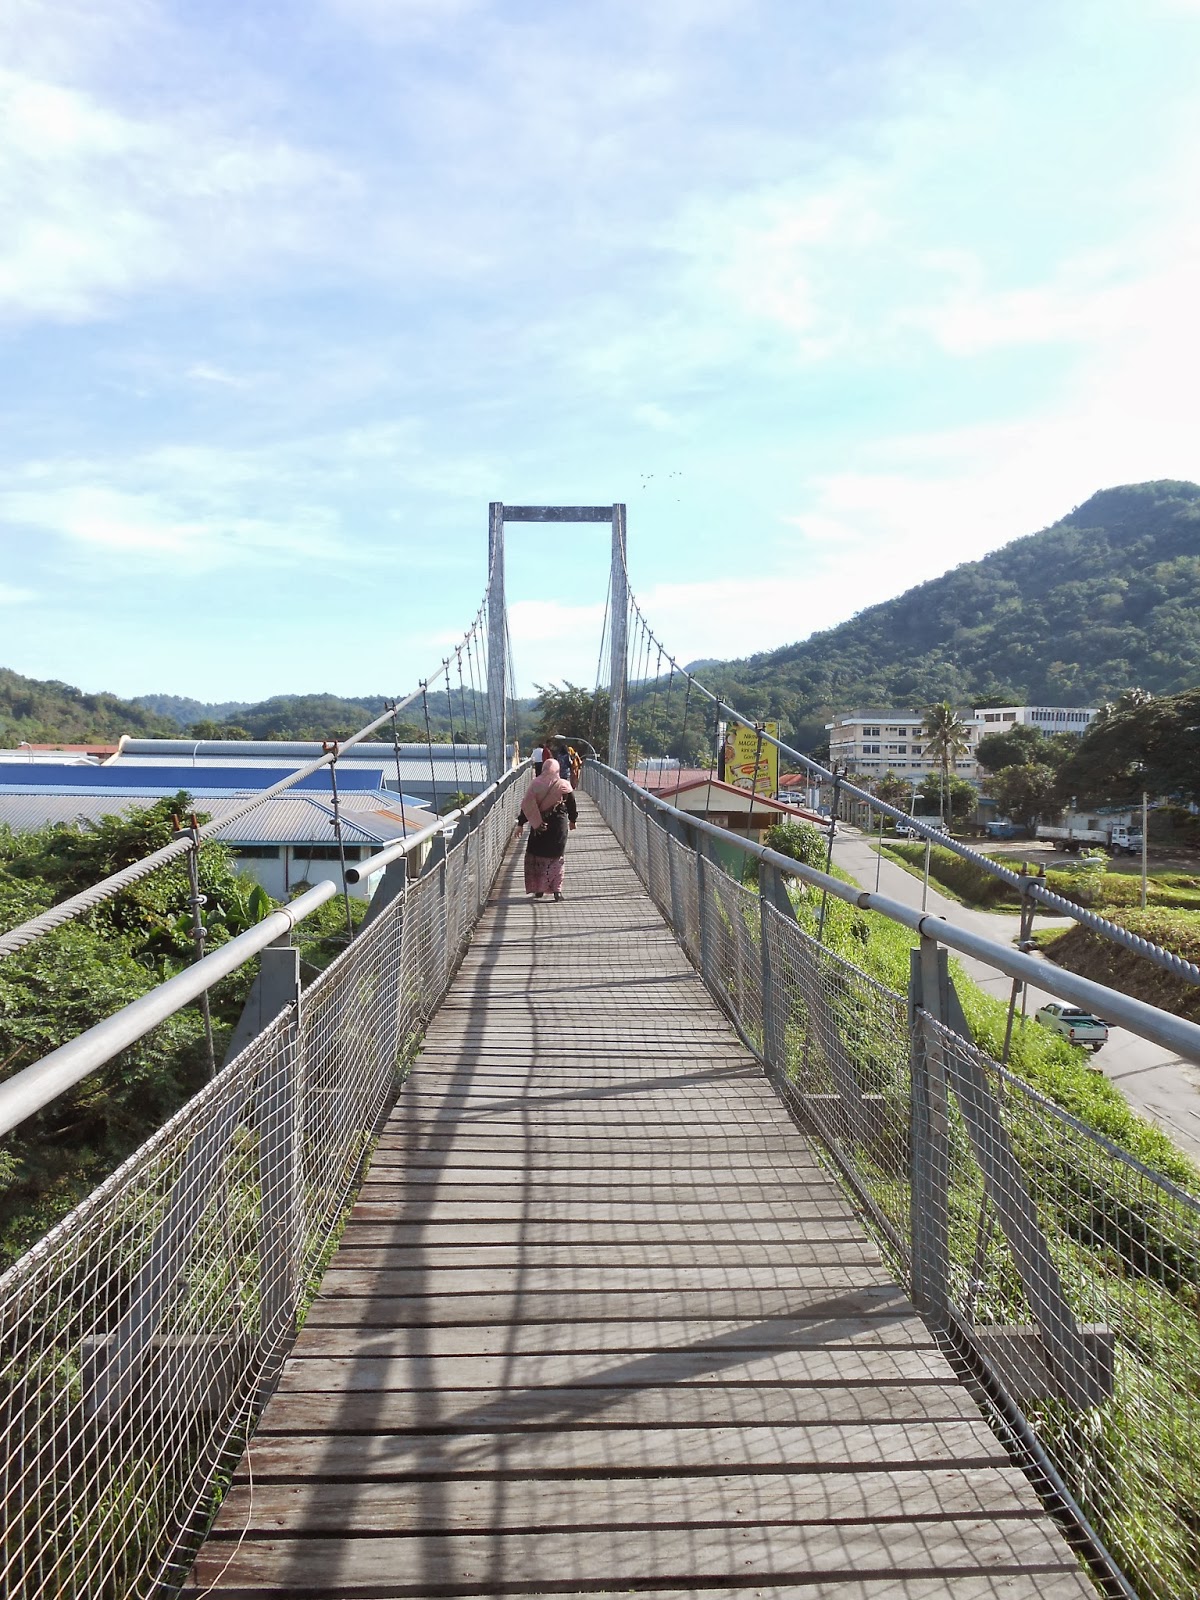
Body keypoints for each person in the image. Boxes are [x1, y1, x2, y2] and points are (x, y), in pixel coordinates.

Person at [520, 757, 577, 900]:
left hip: (540, 826)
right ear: (557, 770)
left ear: (544, 768)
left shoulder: (535, 784)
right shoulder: (563, 784)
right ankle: (557, 890)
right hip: (558, 826)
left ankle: (539, 889)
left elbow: (527, 805)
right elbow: (571, 804)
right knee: (556, 857)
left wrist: (520, 824)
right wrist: (572, 820)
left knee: (538, 856)